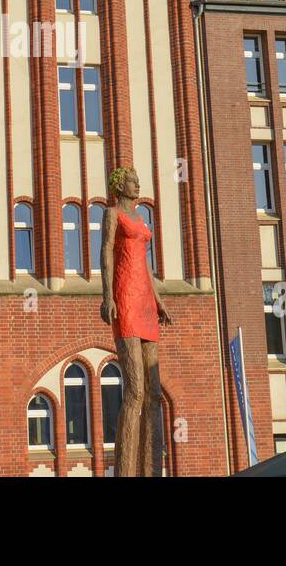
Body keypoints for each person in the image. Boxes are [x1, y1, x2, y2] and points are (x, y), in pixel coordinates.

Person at [99, 165, 172, 476]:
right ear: (119, 185)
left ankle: (152, 468)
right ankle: (126, 471)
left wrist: (159, 301)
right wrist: (107, 296)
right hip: (125, 296)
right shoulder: (113, 214)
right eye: (132, 180)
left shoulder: (142, 220)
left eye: (137, 180)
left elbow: (145, 264)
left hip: (144, 298)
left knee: (154, 391)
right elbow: (106, 253)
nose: (137, 183)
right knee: (135, 390)